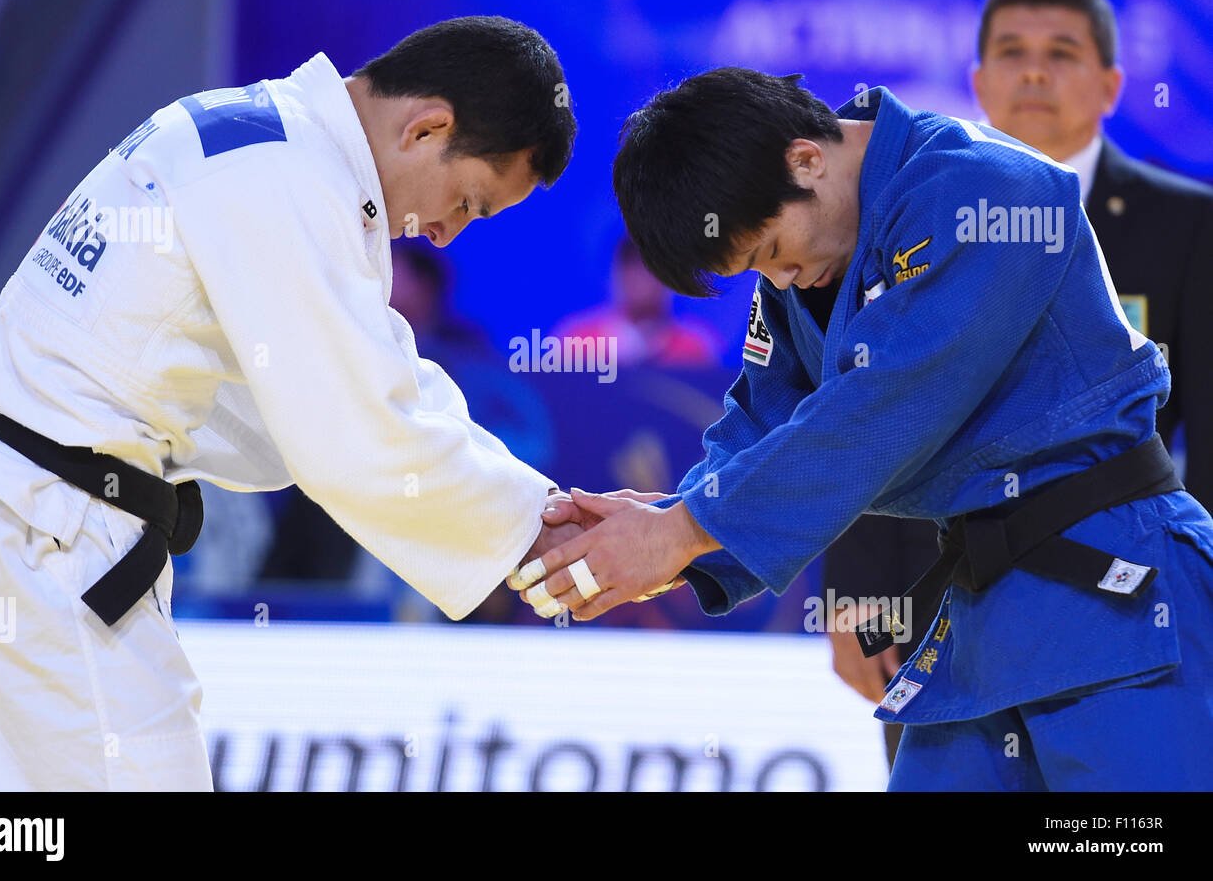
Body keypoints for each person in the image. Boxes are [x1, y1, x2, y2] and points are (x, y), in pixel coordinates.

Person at [0, 16, 582, 790]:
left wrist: (527, 509)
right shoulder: (294, 176)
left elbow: (320, 393)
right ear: (429, 126)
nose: (446, 234)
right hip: (42, 541)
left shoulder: (253, 131)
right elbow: (359, 423)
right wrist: (538, 527)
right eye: (469, 202)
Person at [516, 67, 1213, 790]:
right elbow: (764, 417)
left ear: (806, 159)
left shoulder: (983, 192)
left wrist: (682, 529)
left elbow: (884, 405)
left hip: (1117, 590)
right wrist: (667, 531)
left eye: (770, 255)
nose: (780, 281)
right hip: (980, 612)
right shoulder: (812, 248)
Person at [824, 0, 1213, 771]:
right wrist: (855, 590)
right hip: (938, 605)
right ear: (978, 80)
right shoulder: (901, 216)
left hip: (1134, 605)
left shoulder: (1189, 226)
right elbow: (867, 408)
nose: (1033, 71)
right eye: (1012, 51)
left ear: (1110, 84)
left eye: (1061, 52)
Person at [553, 235, 721, 367]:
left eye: (652, 268)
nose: (641, 278)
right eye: (631, 267)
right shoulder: (577, 342)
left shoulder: (694, 349)